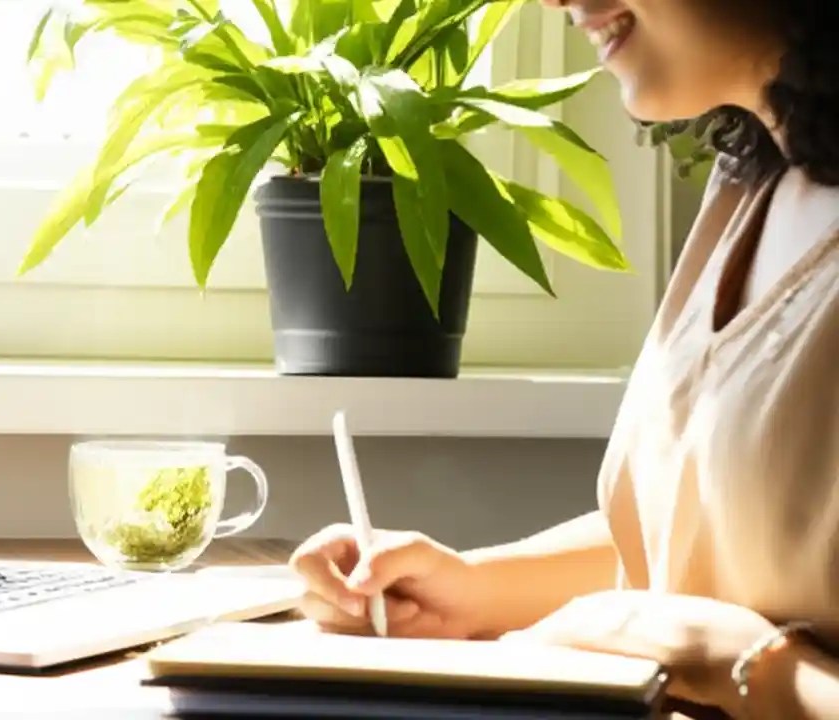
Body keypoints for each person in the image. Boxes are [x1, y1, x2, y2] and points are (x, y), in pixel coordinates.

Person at [289, 1, 838, 717]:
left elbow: (721, 624)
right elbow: (714, 539)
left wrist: (741, 662)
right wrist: (475, 589)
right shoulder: (754, 182)